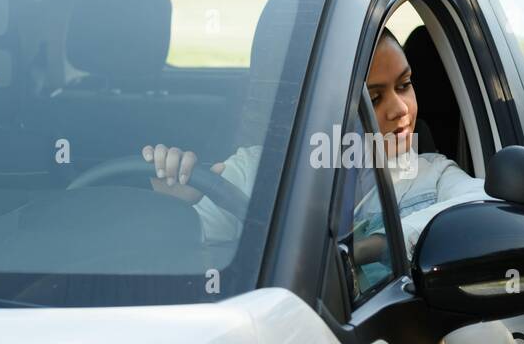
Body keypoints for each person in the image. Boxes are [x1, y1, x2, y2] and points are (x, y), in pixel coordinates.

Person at [144, 26, 488, 255]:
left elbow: (481, 208)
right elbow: (197, 236)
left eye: (404, 85)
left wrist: (380, 245)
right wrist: (175, 207)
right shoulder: (258, 168)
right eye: (373, 97)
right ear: (323, 103)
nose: (400, 110)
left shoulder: (433, 175)